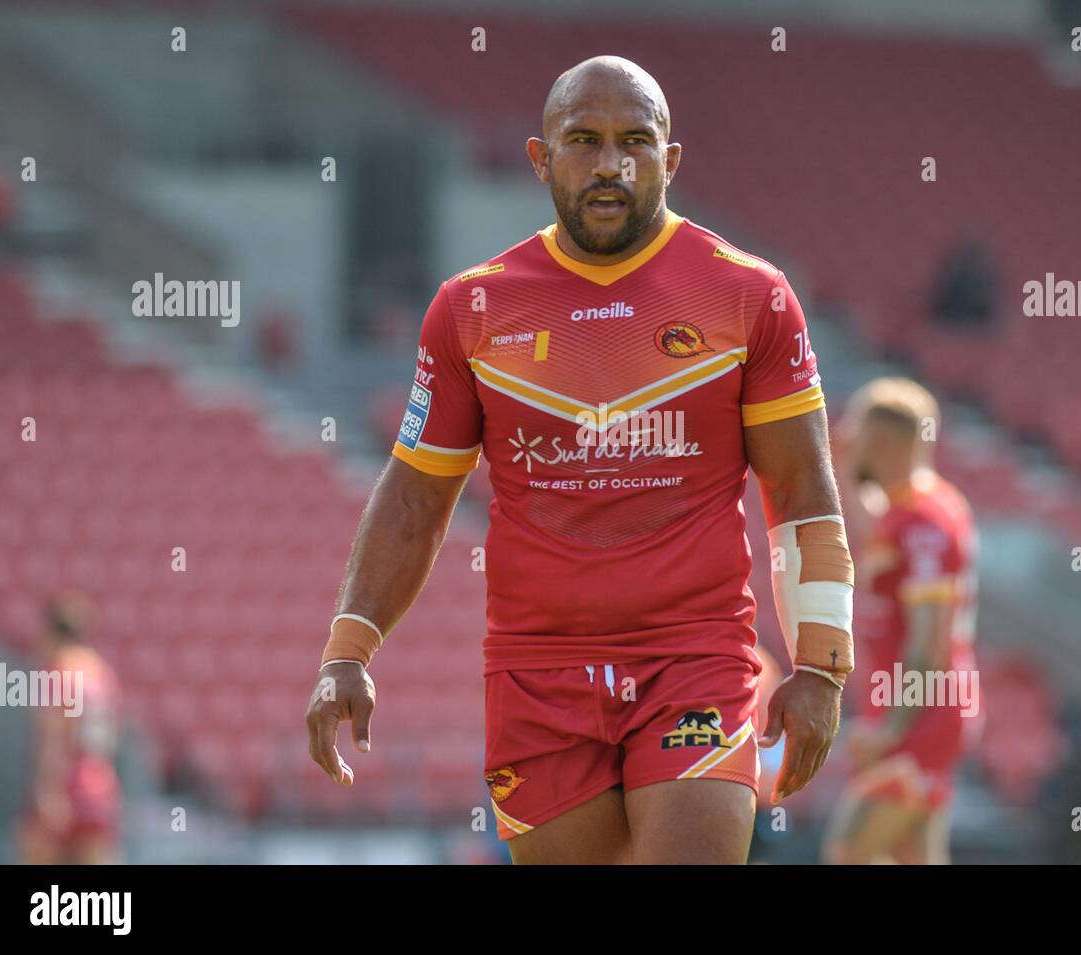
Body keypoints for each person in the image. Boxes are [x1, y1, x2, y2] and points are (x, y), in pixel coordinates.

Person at [304, 56, 856, 864]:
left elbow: (801, 489)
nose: (610, 164)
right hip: (537, 674)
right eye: (584, 140)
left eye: (635, 141)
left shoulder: (750, 295)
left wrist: (822, 664)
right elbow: (416, 498)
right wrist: (346, 651)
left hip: (694, 657)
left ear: (670, 160)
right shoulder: (472, 309)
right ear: (540, 157)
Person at [821, 378, 981, 864]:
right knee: (915, 857)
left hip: (920, 717)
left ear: (882, 444)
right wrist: (846, 467)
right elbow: (875, 539)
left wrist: (893, 728)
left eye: (857, 438)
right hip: (917, 713)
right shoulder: (911, 512)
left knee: (849, 853)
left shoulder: (926, 526)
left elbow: (928, 644)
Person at [20, 593, 122, 865]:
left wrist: (48, 790)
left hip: (68, 783)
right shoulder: (101, 672)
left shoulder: (59, 672)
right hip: (99, 781)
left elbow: (54, 736)